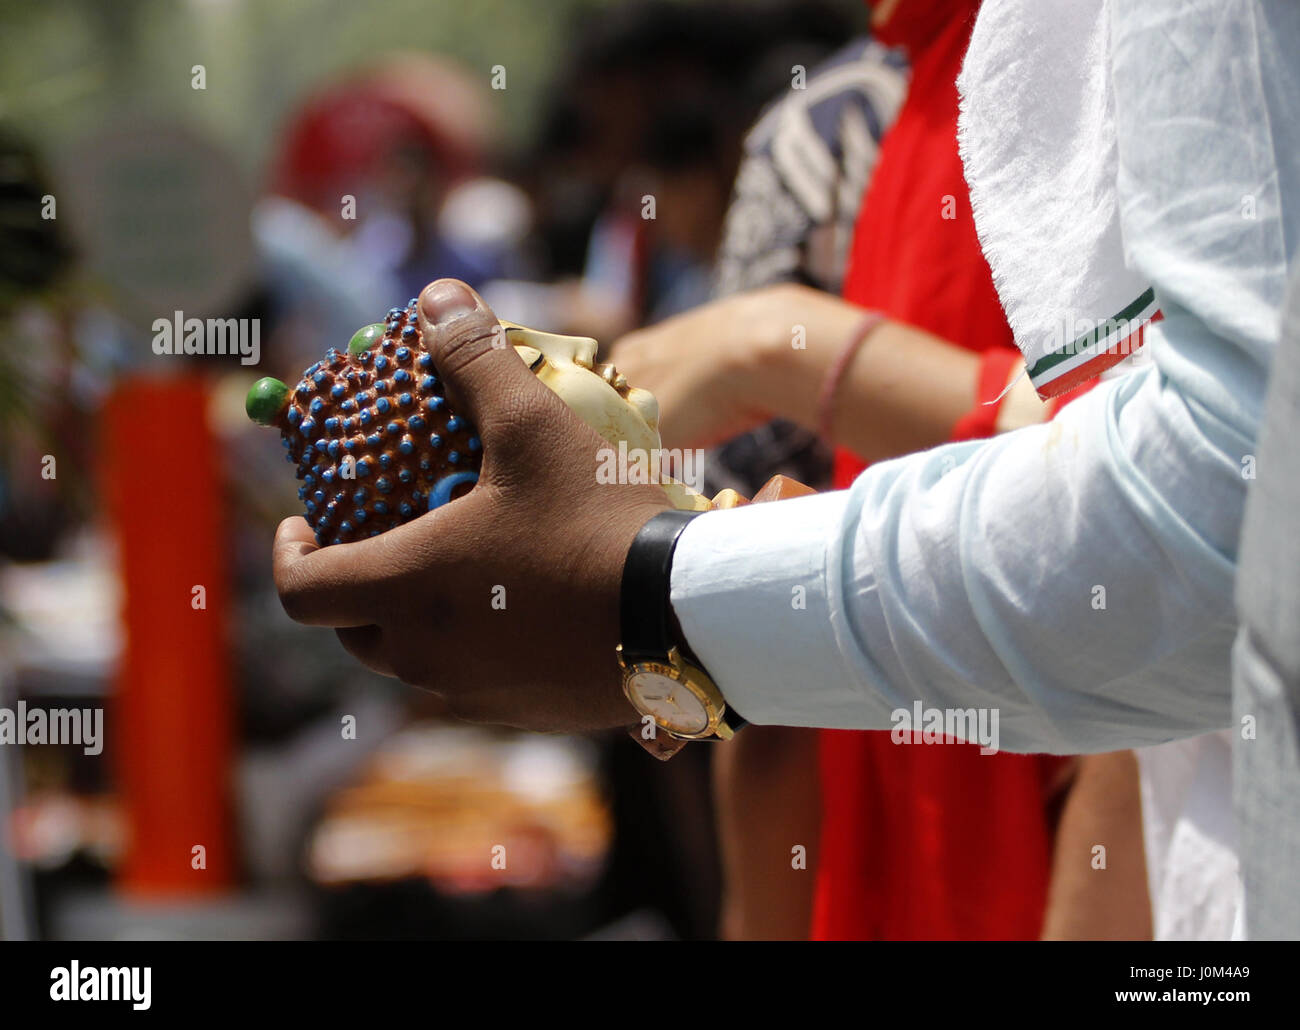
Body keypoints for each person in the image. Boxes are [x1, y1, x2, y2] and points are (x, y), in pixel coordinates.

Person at [271, 0, 1300, 936]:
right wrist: (699, 612)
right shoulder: (932, 74)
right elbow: (1108, 463)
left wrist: (669, 595)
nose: (596, 354)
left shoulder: (883, 113)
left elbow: (1211, 531)